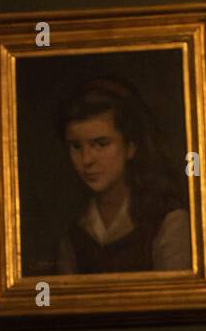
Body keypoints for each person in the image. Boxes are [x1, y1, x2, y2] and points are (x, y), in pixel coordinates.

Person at [54, 76, 190, 274]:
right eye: (76, 147)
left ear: (130, 147)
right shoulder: (73, 233)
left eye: (101, 144)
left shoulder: (168, 222)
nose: (86, 160)